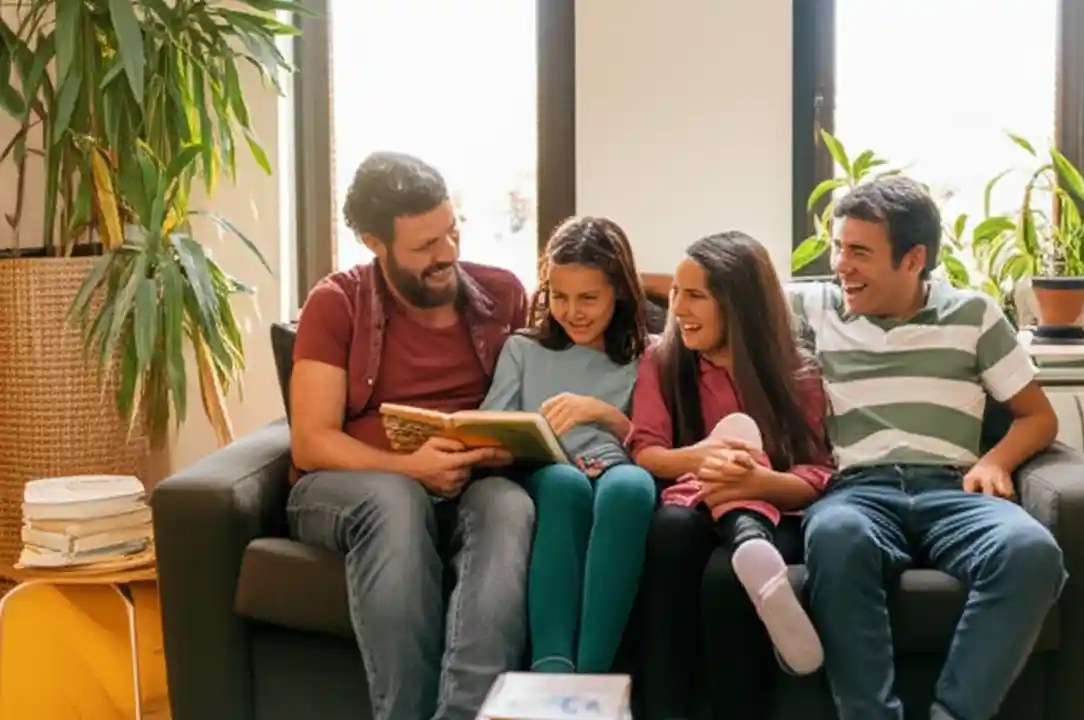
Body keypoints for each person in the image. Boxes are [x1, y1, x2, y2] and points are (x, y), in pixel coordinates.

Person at [793, 176, 1065, 720]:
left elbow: (1038, 417)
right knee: (834, 535)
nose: (841, 264)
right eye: (838, 247)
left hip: (954, 488)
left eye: (860, 252)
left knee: (1032, 552)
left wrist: (995, 461)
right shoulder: (813, 306)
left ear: (914, 258)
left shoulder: (973, 313)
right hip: (858, 491)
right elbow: (723, 286)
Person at [286, 151, 534, 720]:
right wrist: (409, 468)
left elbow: (534, 398)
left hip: (469, 481)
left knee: (509, 504)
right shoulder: (337, 302)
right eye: (425, 247)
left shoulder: (503, 296)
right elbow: (311, 441)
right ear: (376, 243)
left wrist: (507, 447)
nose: (447, 254)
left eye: (451, 231)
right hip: (353, 488)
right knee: (394, 501)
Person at [630, 231, 833, 719]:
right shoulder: (661, 361)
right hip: (693, 502)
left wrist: (758, 482)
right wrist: (703, 456)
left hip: (772, 510)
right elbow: (647, 452)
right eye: (676, 293)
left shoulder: (797, 373)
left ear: (739, 304)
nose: (678, 308)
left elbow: (816, 473)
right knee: (671, 531)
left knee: (727, 580)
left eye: (696, 295)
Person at [479, 216, 656, 674]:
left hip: (616, 465)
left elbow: (655, 440)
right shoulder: (522, 348)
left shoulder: (647, 357)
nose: (573, 311)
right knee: (565, 485)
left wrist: (602, 413)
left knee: (631, 488)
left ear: (617, 291)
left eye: (588, 298)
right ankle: (551, 667)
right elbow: (492, 426)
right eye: (560, 296)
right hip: (547, 469)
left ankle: (592, 677)